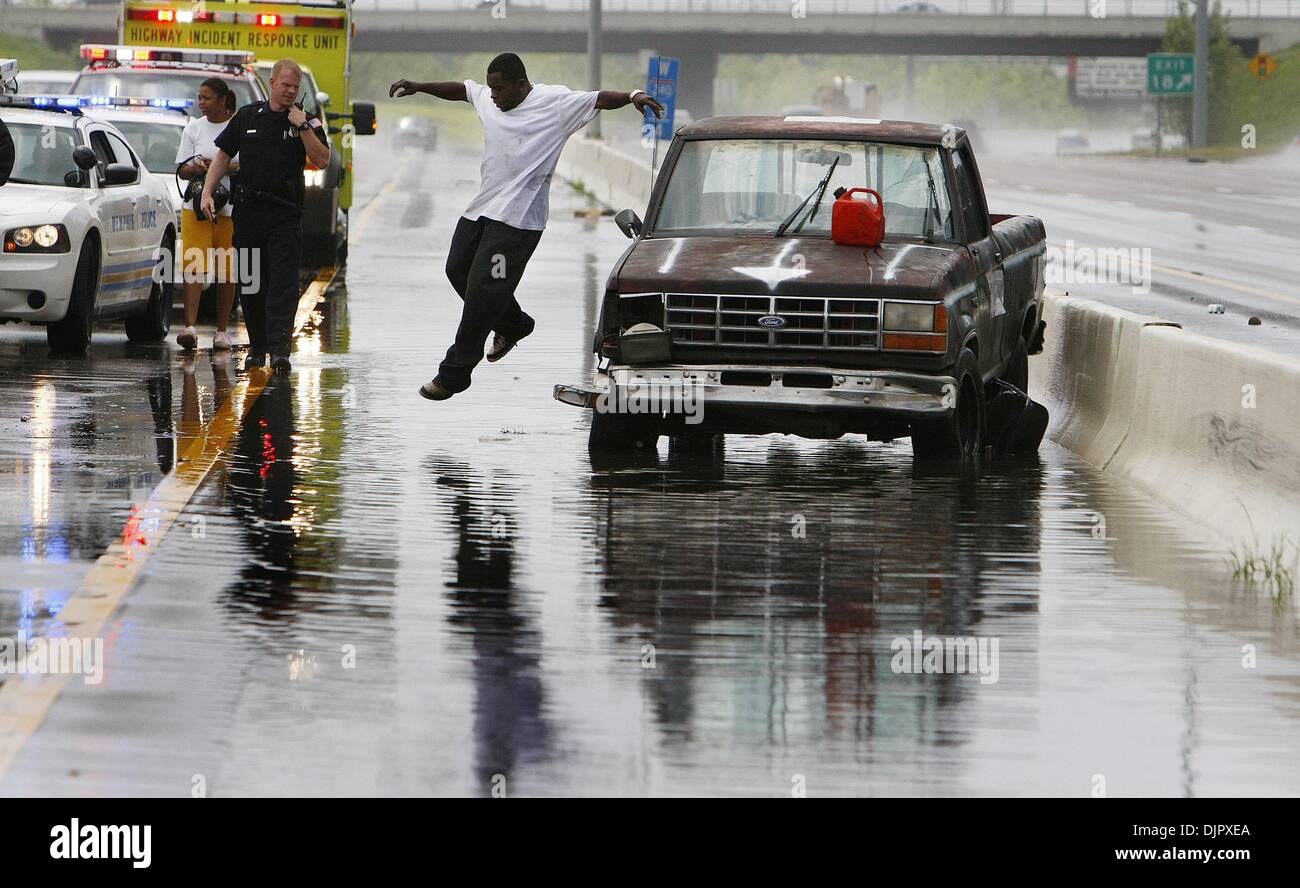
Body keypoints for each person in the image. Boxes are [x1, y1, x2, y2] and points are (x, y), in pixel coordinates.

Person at [388, 52, 664, 401]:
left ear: (522, 85)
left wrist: (632, 96)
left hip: (518, 222)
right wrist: (419, 86)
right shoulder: (489, 99)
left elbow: (599, 98)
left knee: (484, 290)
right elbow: (462, 90)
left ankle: (455, 373)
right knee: (457, 270)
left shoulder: (555, 103)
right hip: (482, 210)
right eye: (490, 88)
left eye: (500, 89)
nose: (493, 96)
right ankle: (514, 324)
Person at [201, 58, 330, 374]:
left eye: (295, 87)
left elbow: (322, 159)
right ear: (272, 83)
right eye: (285, 85)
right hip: (249, 214)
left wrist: (301, 126)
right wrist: (207, 192)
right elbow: (222, 156)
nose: (290, 91)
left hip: (284, 214)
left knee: (283, 286)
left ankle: (280, 351)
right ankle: (257, 349)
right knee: (252, 284)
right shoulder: (248, 116)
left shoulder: (306, 121)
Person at [175, 77, 240, 352]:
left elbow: (245, 164)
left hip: (229, 209)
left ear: (223, 99)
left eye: (207, 98)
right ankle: (190, 327)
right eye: (199, 98)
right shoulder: (193, 129)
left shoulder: (237, 126)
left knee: (227, 270)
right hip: (196, 209)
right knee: (194, 266)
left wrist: (222, 166)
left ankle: (222, 331)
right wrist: (197, 168)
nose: (201, 103)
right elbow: (181, 169)